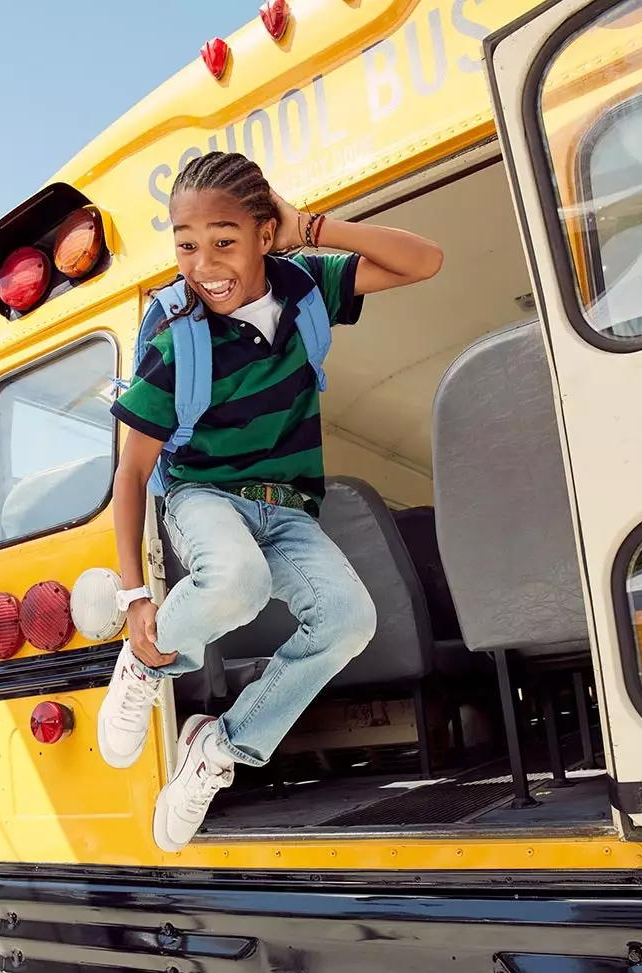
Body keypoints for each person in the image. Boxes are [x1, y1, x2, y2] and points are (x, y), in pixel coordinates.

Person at [99, 151, 443, 852]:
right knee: (239, 584)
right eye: (186, 244)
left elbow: (424, 261)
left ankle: (219, 748)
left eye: (224, 239)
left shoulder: (305, 289)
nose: (203, 263)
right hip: (202, 493)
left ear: (265, 232)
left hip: (284, 506)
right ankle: (148, 661)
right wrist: (134, 599)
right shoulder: (178, 337)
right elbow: (131, 474)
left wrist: (312, 228)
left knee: (349, 620)